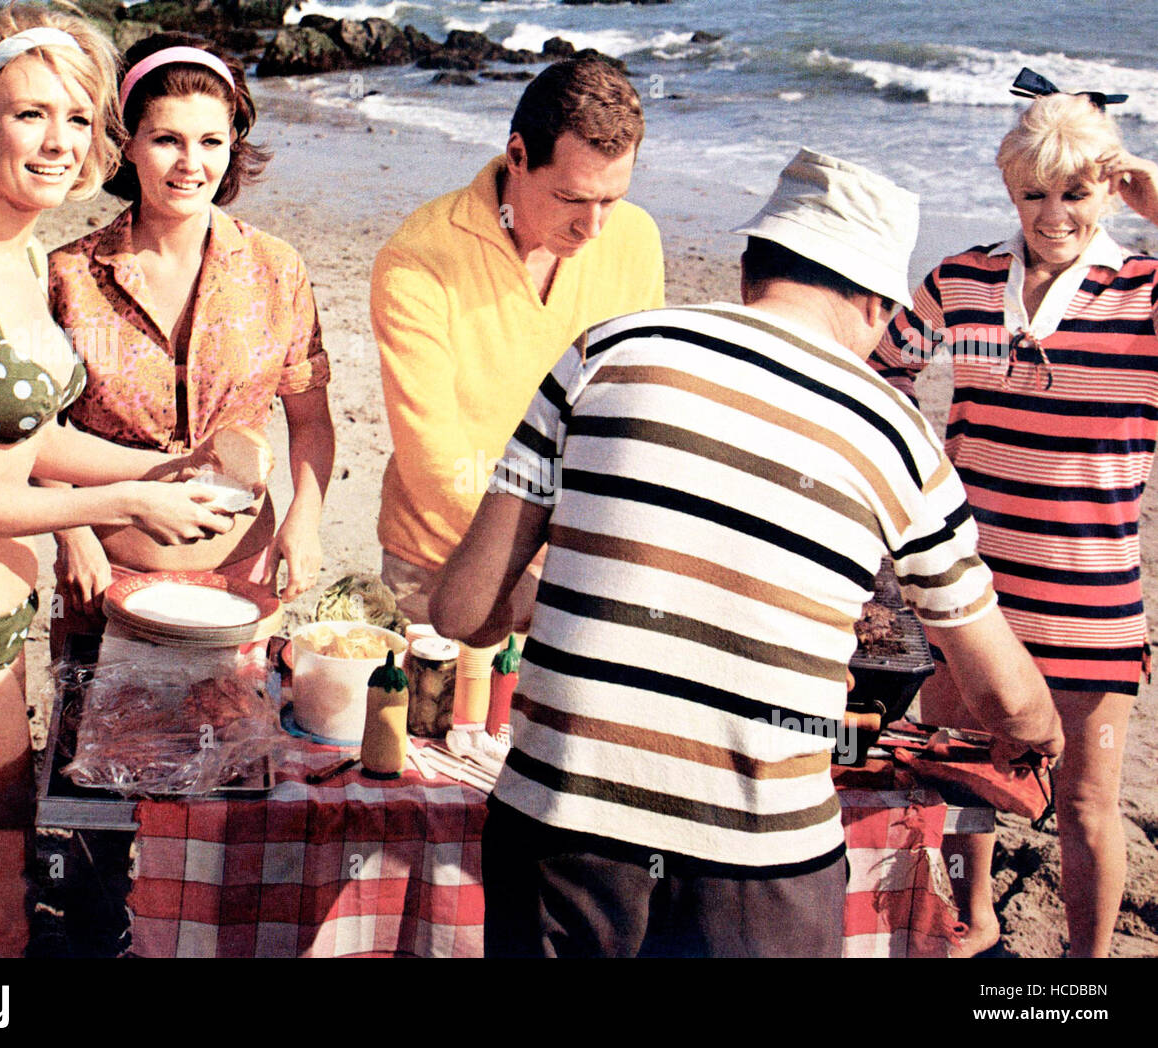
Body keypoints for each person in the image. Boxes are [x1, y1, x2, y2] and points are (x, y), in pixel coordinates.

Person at [430, 148, 1064, 958]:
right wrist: (1041, 729)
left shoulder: (603, 352)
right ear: (876, 306)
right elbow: (1001, 695)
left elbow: (462, 612)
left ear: (747, 270)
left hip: (559, 832)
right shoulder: (895, 434)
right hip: (754, 866)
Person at [0, 6, 236, 957]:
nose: (60, 143)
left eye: (78, 118)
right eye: (30, 116)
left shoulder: (17, 253)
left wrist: (167, 466)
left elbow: (31, 438)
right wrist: (129, 502)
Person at [869, 76, 1158, 958]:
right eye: (1034, 192)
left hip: (1094, 604)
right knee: (962, 780)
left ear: (1110, 189)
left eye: (1075, 191)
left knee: (1083, 805)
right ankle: (975, 926)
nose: (1054, 213)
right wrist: (917, 478)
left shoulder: (1145, 294)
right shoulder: (962, 279)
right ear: (1008, 188)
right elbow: (881, 377)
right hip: (969, 595)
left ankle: (1085, 972)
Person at [46, 33, 335, 656]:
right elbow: (34, 437)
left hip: (242, 587)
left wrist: (304, 521)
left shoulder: (277, 269)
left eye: (210, 141)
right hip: (104, 581)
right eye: (166, 140)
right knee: (98, 756)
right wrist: (74, 538)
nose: (191, 164)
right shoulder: (67, 276)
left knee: (233, 754)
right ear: (126, 144)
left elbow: (310, 423)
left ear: (234, 146)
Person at [372, 57, 664, 627]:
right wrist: (543, 561)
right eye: (572, 199)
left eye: (612, 199)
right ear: (517, 156)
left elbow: (634, 407)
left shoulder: (637, 238)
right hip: (439, 564)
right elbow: (434, 464)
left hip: (582, 563)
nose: (594, 227)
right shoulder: (417, 259)